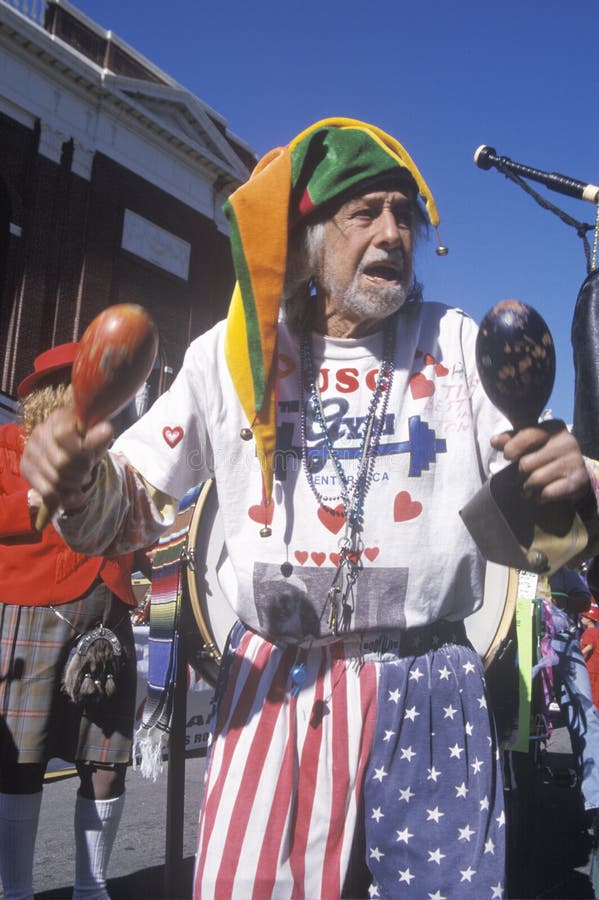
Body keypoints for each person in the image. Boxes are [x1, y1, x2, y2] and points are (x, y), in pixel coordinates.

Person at [20, 118, 598, 899]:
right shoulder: (229, 358)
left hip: (430, 684)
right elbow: (127, 518)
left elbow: (543, 531)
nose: (393, 232)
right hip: (278, 684)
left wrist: (570, 480)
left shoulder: (457, 345)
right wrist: (79, 480)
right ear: (309, 239)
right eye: (365, 213)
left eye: (405, 213)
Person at [0, 343, 139, 900]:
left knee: (107, 758)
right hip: (33, 611)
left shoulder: (123, 458)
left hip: (107, 617)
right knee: (21, 758)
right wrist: (41, 494)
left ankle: (91, 889)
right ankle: (14, 891)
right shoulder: (10, 444)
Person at [546, 566, 599, 815]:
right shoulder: (511, 567)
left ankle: (595, 799)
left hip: (563, 641)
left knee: (585, 712)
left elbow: (585, 600)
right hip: (521, 643)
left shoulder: (562, 570)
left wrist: (561, 601)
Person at [581, 600, 599, 711]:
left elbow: (590, 646)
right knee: (596, 695)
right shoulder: (597, 631)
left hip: (590, 668)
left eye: (583, 616)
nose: (581, 618)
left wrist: (579, 654)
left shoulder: (589, 632)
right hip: (596, 668)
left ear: (589, 619)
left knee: (591, 694)